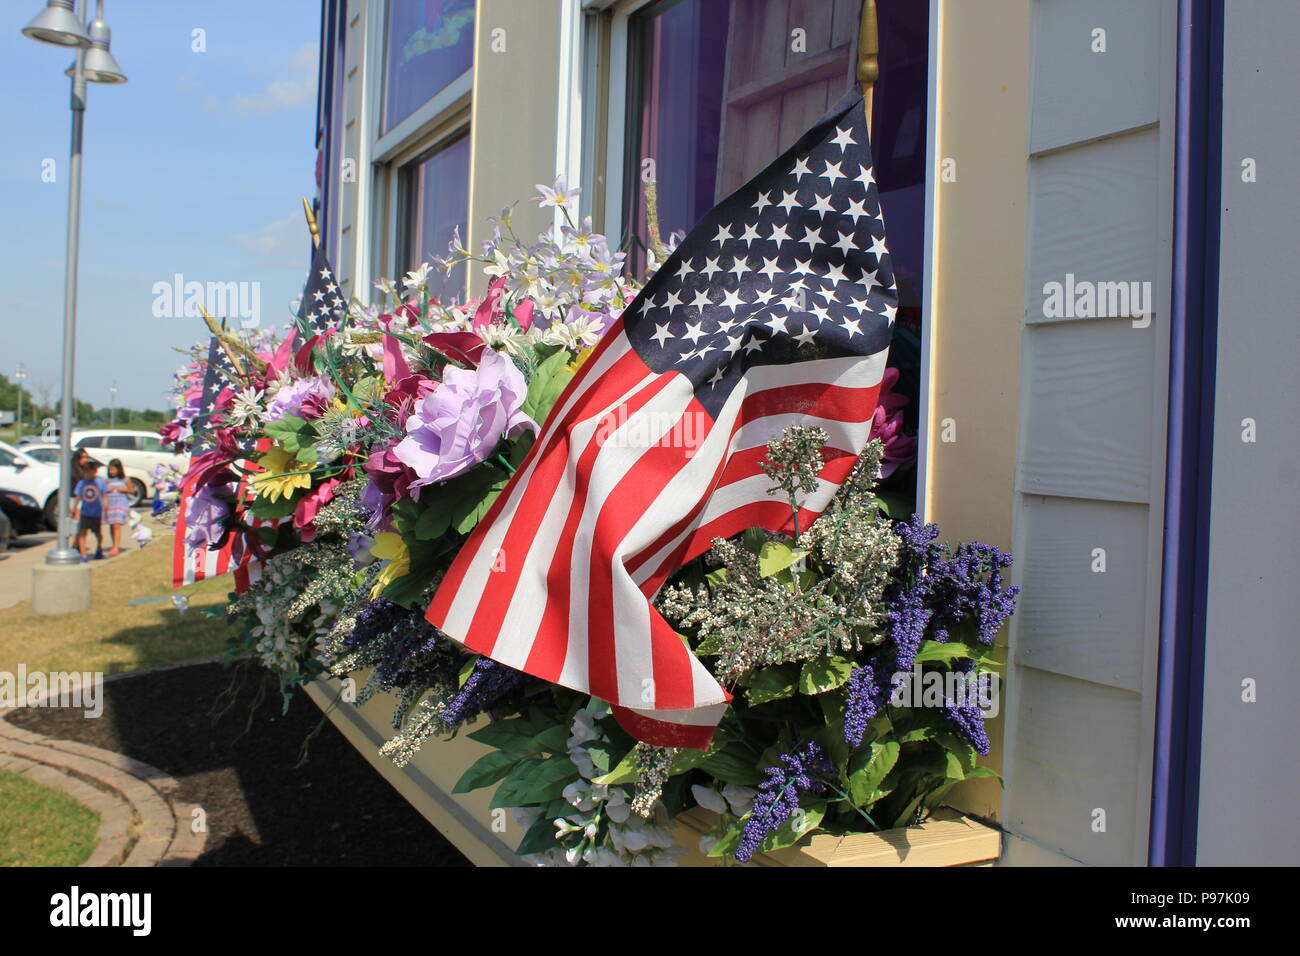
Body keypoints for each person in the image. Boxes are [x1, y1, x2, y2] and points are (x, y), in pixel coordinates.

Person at [72, 458, 107, 562]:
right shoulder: (82, 483)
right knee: (82, 532)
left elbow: (105, 495)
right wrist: (74, 508)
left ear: (95, 471)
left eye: (90, 472)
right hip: (85, 512)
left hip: (96, 512)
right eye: (85, 472)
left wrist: (105, 507)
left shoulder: (99, 482)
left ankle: (99, 548)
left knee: (98, 533)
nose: (87, 474)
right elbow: (78, 496)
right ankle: (83, 555)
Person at [103, 458, 132, 557]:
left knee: (116, 525)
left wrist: (125, 490)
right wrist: (107, 489)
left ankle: (116, 547)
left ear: (119, 469)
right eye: (110, 470)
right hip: (111, 504)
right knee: (112, 525)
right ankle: (114, 544)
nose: (111, 472)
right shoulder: (107, 481)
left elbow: (132, 490)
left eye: (113, 470)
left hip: (121, 504)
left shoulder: (125, 479)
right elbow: (102, 492)